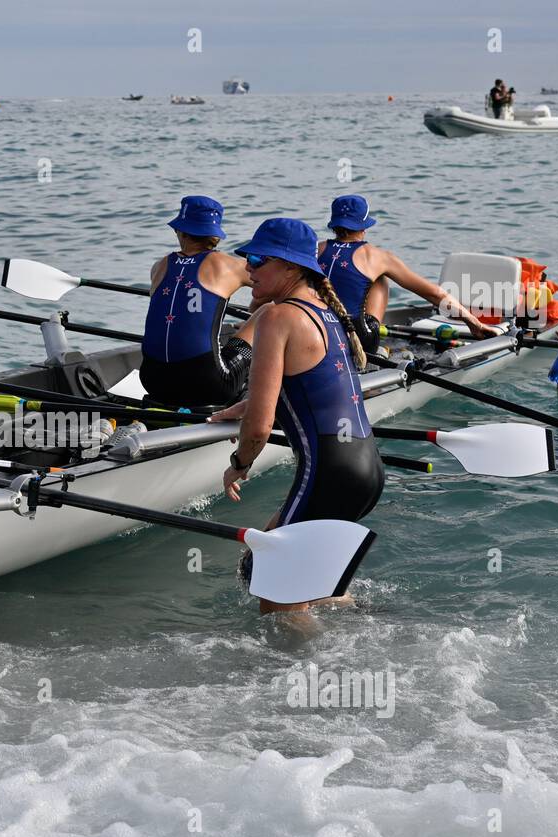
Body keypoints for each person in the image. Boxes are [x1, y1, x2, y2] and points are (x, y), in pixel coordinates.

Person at [209, 218, 385, 613]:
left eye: (258, 259)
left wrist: (239, 464)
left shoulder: (277, 316)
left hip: (329, 472)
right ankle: (357, 632)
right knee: (266, 570)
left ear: (291, 267)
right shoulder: (324, 311)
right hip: (365, 469)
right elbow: (315, 387)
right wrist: (245, 405)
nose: (248, 270)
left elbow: (260, 428)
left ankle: (304, 672)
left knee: (275, 598)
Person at [317, 194, 498, 352]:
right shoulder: (377, 257)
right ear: (364, 227)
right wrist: (473, 322)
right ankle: (372, 340)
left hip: (317, 332)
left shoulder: (316, 249)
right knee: (380, 278)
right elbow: (435, 294)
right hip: (357, 340)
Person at [138, 195, 256, 407]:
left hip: (152, 380)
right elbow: (271, 284)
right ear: (215, 236)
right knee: (265, 315)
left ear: (180, 231)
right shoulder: (227, 264)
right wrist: (255, 313)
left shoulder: (159, 266)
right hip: (208, 386)